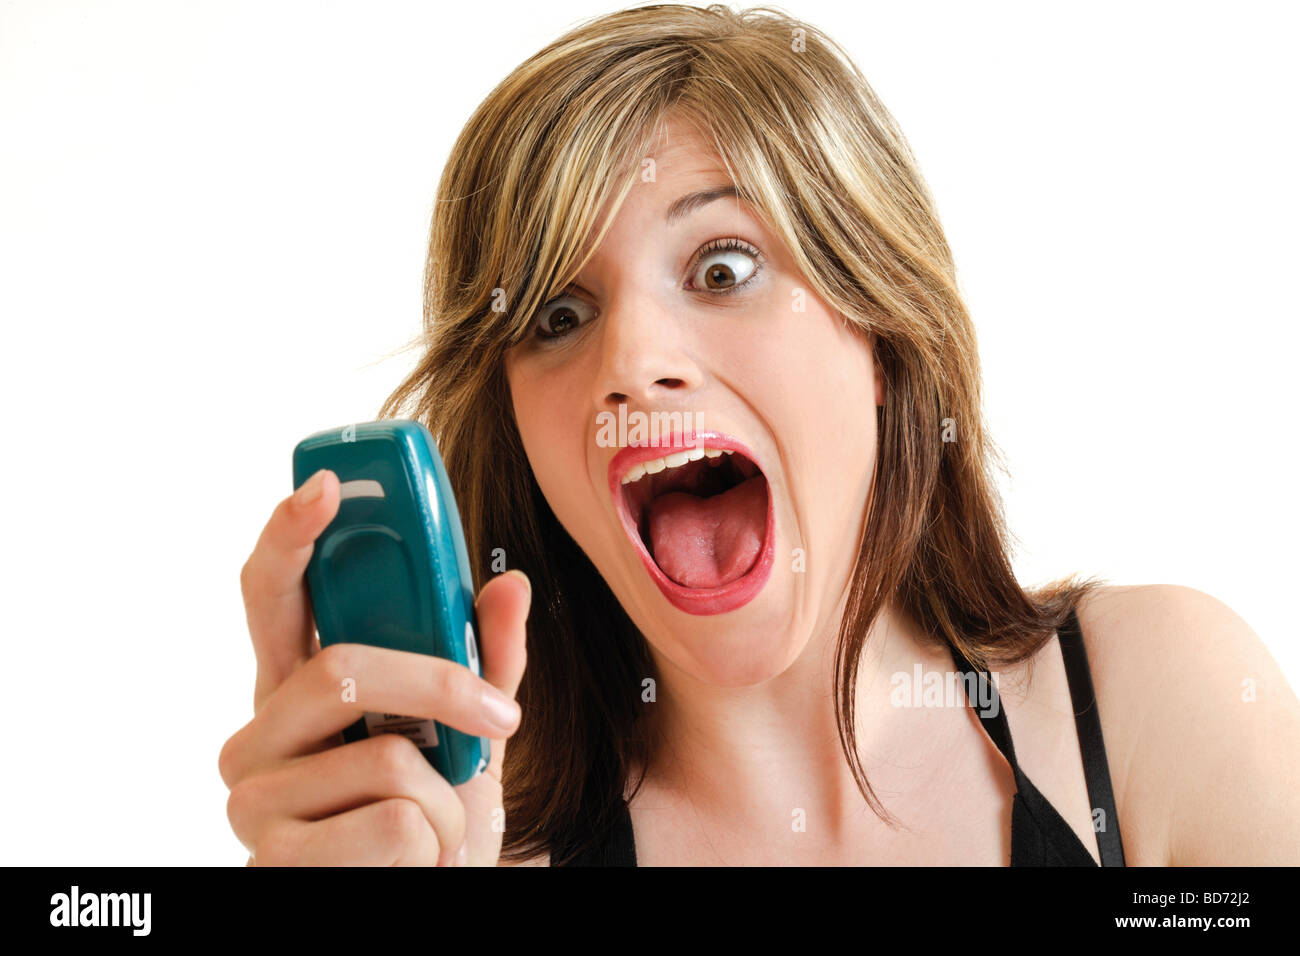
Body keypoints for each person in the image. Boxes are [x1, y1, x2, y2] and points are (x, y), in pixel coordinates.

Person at [218, 4, 1300, 866]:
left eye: (722, 267)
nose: (632, 364)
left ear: (878, 333)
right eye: (556, 315)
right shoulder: (483, 855)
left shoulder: (1152, 704)